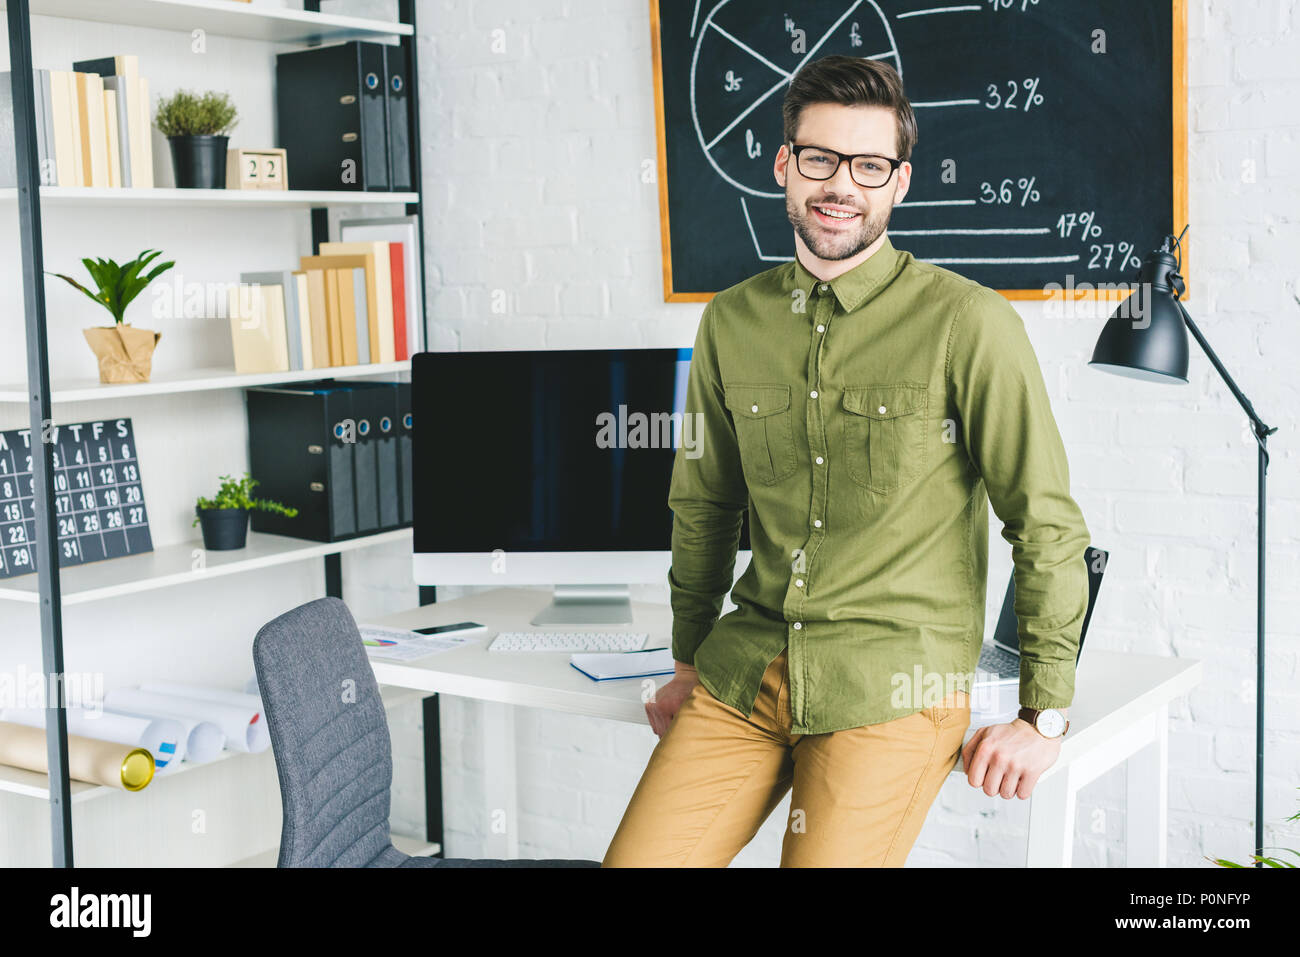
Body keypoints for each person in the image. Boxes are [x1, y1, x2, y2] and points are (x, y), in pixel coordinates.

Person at [601, 54, 1092, 867]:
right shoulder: (731, 321)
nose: (841, 186)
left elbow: (1043, 521)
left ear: (899, 182)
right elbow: (704, 503)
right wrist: (689, 654)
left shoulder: (969, 323)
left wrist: (1044, 713)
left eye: (868, 166)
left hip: (891, 686)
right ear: (785, 166)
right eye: (820, 159)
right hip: (748, 672)